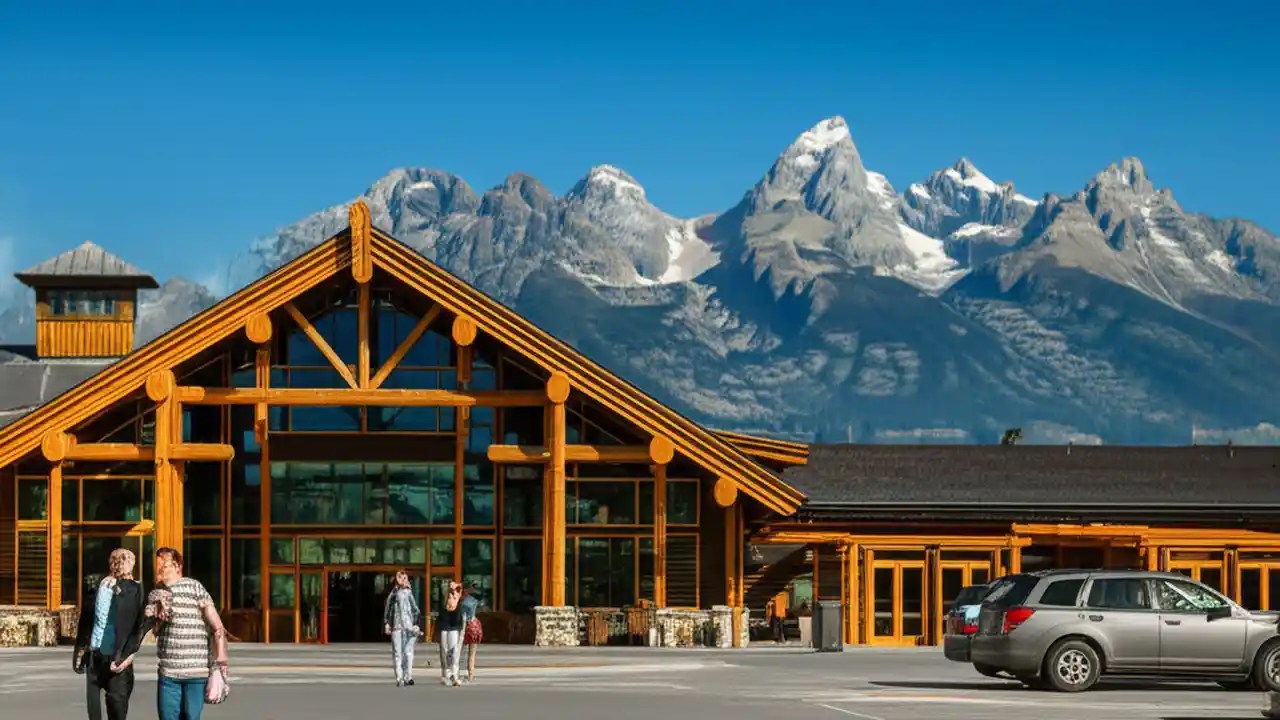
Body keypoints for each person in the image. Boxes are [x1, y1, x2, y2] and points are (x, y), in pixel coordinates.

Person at [151, 547, 229, 720]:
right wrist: (158, 616)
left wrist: (221, 660)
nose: (161, 568)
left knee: (191, 717)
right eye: (158, 564)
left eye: (165, 564)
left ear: (178, 566)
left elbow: (217, 627)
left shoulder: (195, 587)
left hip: (196, 671)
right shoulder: (156, 593)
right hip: (169, 672)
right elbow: (154, 631)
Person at [73, 548, 146, 720]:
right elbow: (85, 621)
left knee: (116, 707)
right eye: (116, 559)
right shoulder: (96, 585)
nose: (120, 563)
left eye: (126, 559)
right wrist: (79, 652)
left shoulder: (136, 589)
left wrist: (128, 655)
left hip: (118, 657)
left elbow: (139, 626)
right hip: (95, 655)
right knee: (93, 711)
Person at [383, 570, 422, 687]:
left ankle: (408, 676)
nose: (403, 580)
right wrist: (387, 622)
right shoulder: (394, 593)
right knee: (397, 652)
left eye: (405, 578)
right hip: (396, 625)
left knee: (408, 652)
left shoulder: (409, 593)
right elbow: (388, 606)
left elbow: (416, 609)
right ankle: (399, 677)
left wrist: (416, 624)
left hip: (409, 627)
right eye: (400, 577)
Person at [437, 579, 464, 687]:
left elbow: (457, 616)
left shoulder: (458, 597)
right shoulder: (444, 597)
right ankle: (445, 674)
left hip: (454, 625)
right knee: (444, 650)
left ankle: (454, 674)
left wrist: (457, 591)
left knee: (454, 650)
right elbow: (444, 602)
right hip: (444, 625)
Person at [460, 584, 482, 683]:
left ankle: (460, 673)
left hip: (463, 626)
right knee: (472, 653)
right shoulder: (473, 601)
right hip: (474, 625)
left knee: (461, 652)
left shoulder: (460, 601)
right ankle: (470, 675)